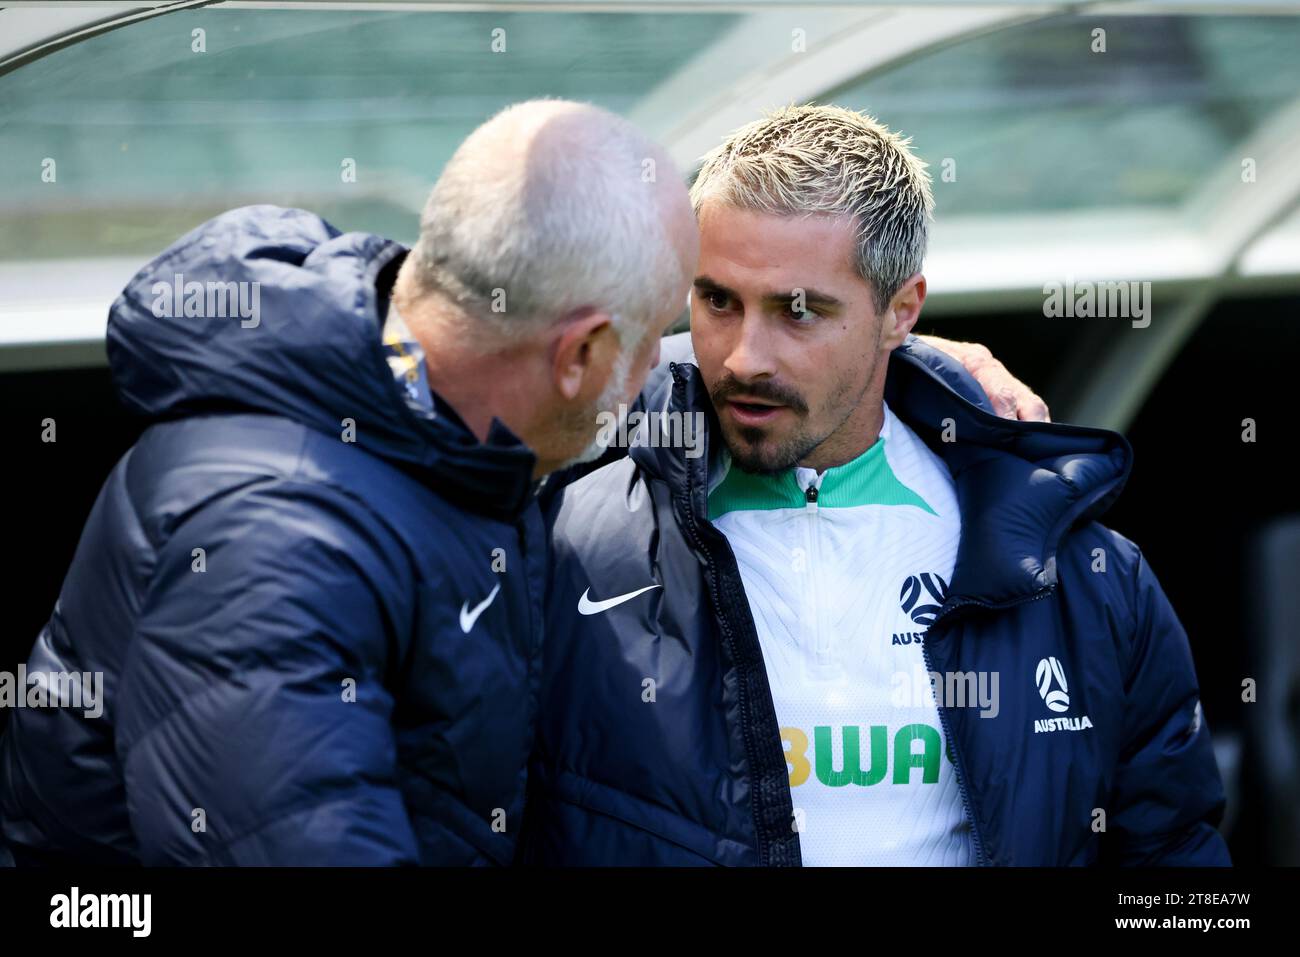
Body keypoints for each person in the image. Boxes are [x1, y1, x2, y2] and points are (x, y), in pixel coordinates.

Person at [0, 99, 1040, 866]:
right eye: (679, 327)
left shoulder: (416, 384)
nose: (705, 369)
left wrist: (894, 368)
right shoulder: (274, 558)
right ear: (582, 358)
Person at [522, 105, 1231, 866]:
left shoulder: (1084, 580)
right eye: (718, 300)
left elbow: (1173, 858)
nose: (743, 358)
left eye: (801, 311)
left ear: (901, 311)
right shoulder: (562, 537)